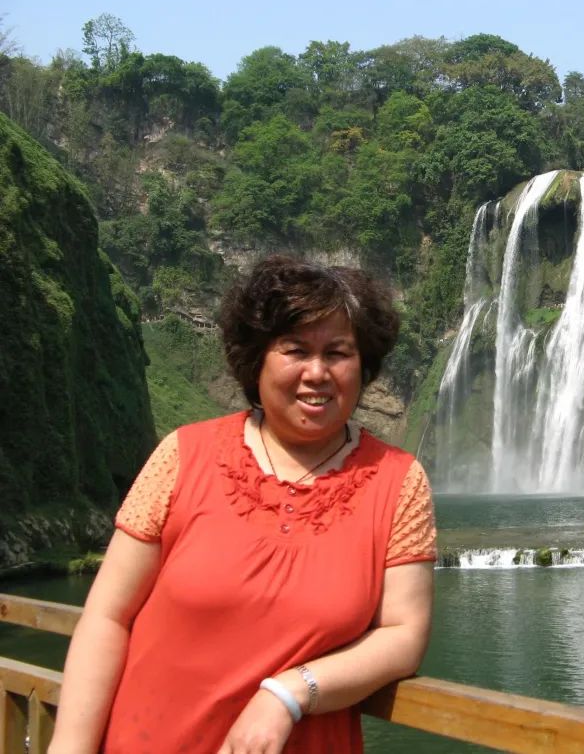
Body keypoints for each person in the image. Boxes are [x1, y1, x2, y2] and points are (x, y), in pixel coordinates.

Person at [49, 255, 437, 753]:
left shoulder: (398, 482)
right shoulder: (183, 455)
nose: (317, 373)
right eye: (295, 350)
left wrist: (290, 692)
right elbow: (106, 617)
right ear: (257, 361)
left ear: (363, 365)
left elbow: (404, 635)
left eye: (338, 353)